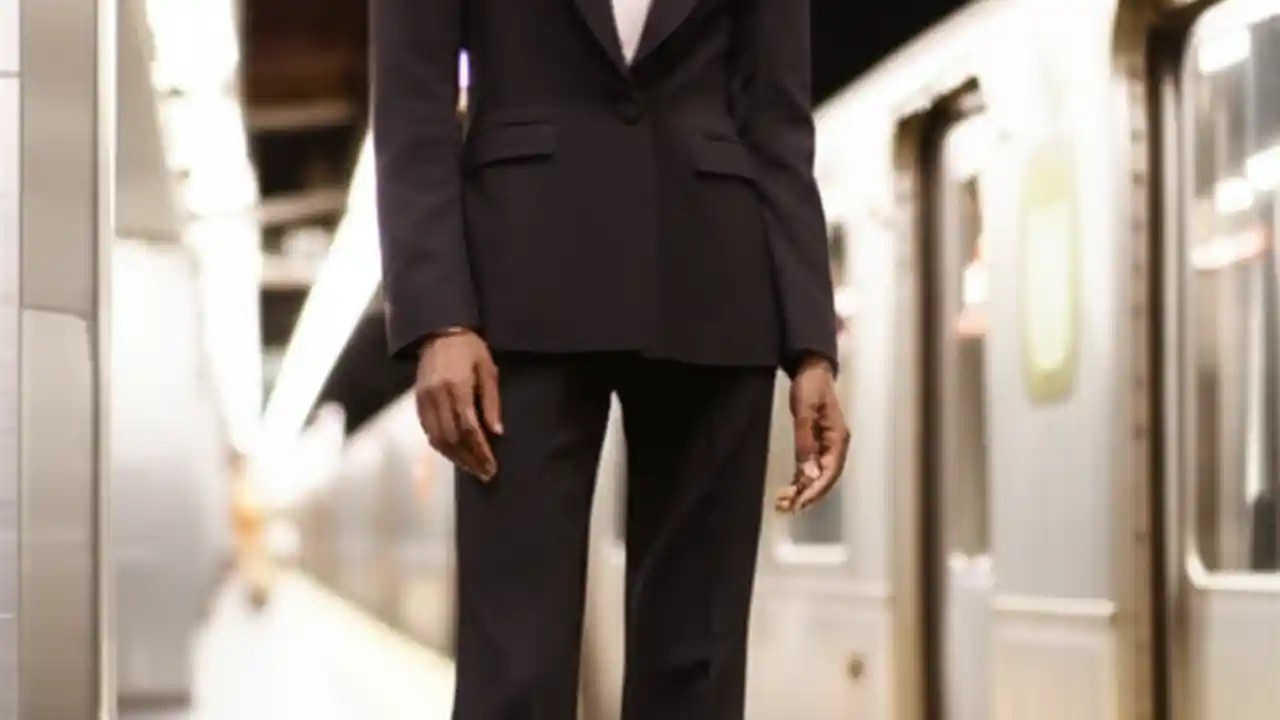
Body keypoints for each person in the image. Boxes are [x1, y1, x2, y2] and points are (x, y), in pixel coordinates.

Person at [371, 0, 850, 717]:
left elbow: (779, 121)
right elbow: (412, 104)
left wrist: (812, 344)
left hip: (718, 284)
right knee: (515, 668)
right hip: (521, 291)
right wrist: (440, 317)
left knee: (698, 663)